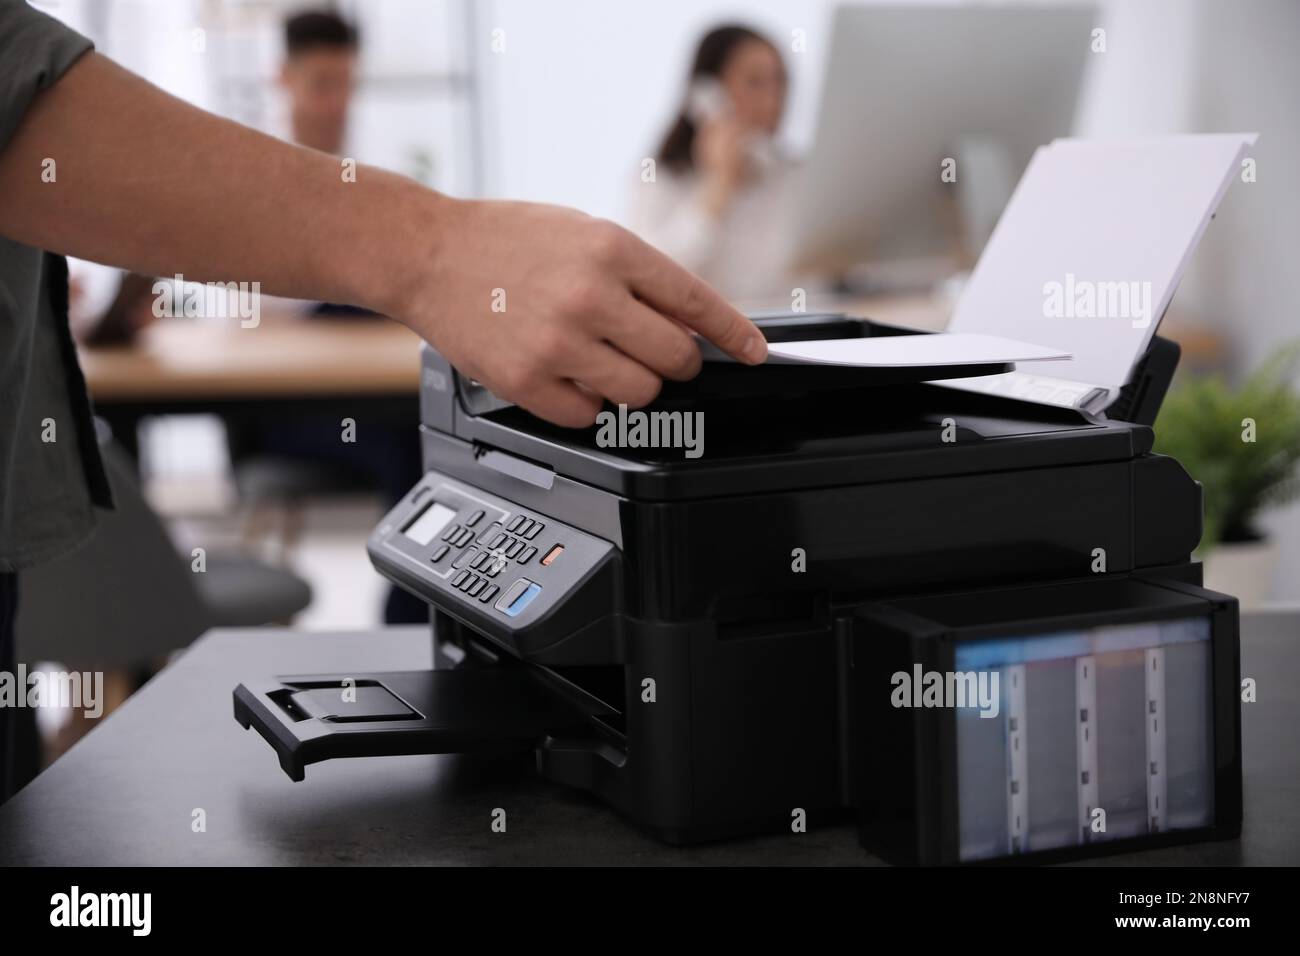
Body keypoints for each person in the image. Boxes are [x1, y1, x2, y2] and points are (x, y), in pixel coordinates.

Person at [0, 0, 767, 800]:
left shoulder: (349, 162)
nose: (337, 99)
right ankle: (421, 630)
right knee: (407, 449)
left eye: (347, 83)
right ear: (286, 78)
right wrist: (434, 251)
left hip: (20, 495)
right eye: (322, 81)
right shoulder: (248, 150)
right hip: (268, 411)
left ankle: (430, 631)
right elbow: (18, 77)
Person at [626, 25, 810, 306]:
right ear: (708, 91)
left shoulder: (790, 176)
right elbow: (654, 280)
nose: (773, 100)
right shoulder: (660, 176)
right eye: (755, 82)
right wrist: (719, 185)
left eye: (780, 82)